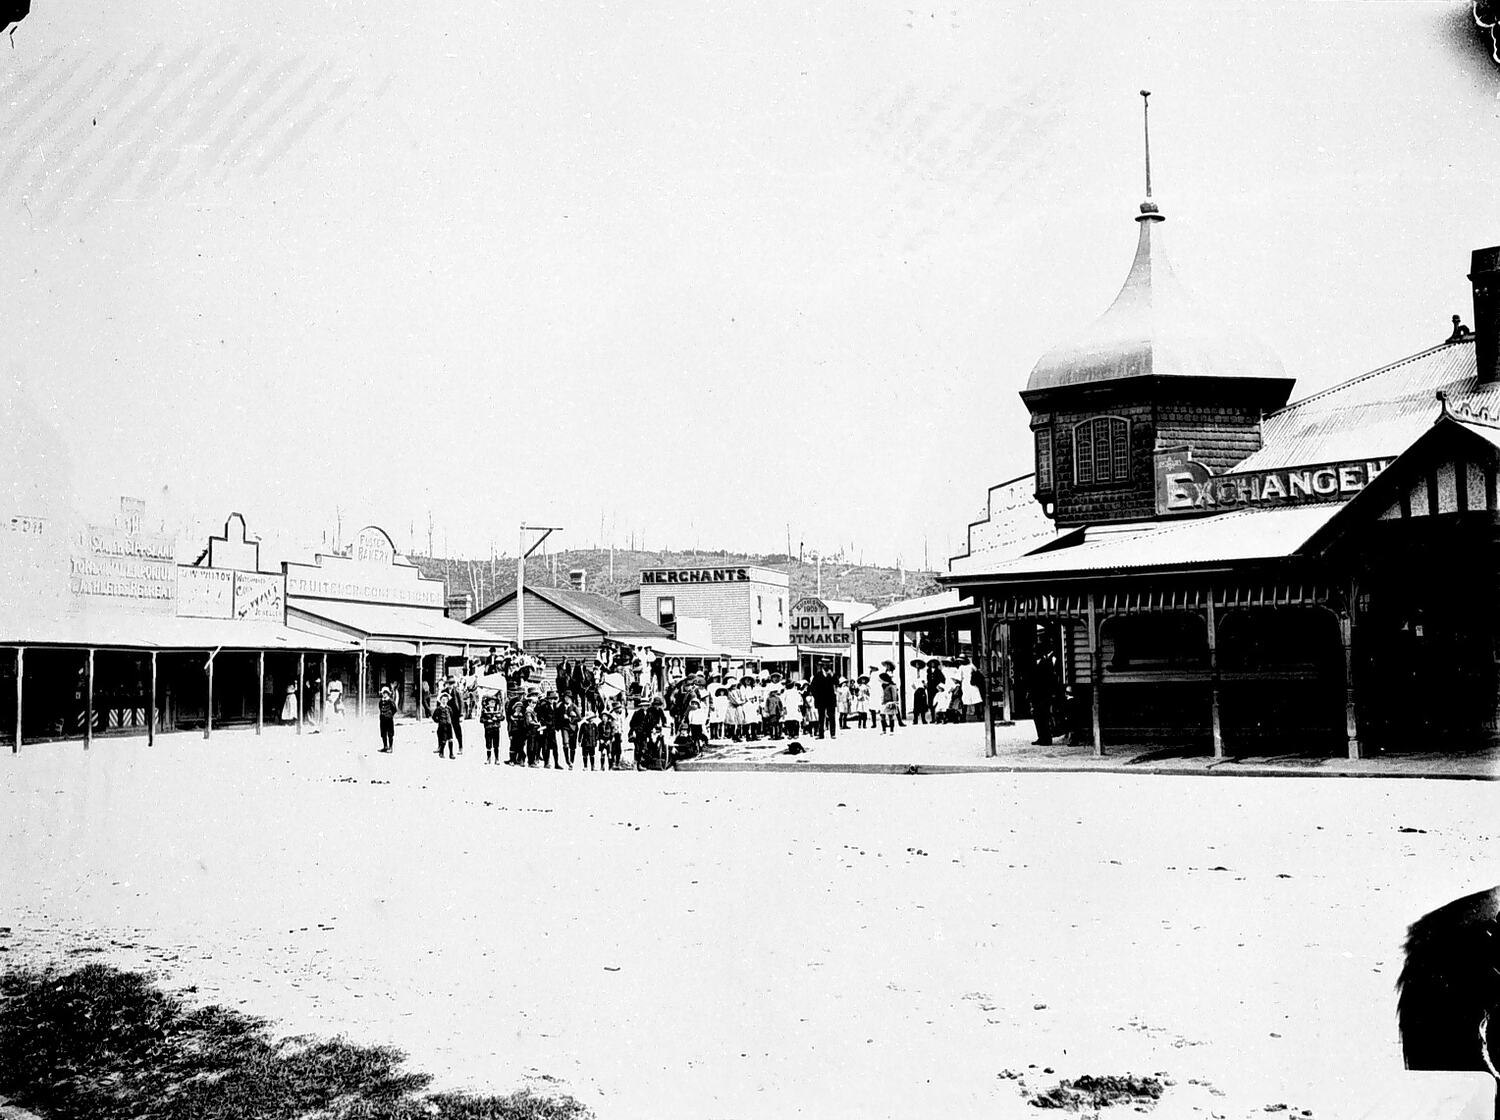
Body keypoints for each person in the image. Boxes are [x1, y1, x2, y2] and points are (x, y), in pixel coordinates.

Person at [1029, 643, 1059, 746]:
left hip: (1044, 694)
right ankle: (1041, 737)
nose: (1034, 653)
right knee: (1037, 716)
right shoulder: (1035, 664)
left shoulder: (1046, 663)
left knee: (1044, 716)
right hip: (1036, 694)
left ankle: (1046, 738)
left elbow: (1051, 679)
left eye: (1036, 651)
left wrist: (1051, 693)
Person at [810, 667, 837, 739]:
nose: (827, 666)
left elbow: (837, 683)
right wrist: (817, 696)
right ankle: (821, 734)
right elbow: (812, 687)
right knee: (821, 717)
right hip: (821, 700)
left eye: (828, 664)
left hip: (830, 699)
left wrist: (833, 675)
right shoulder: (817, 675)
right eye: (825, 664)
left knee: (832, 717)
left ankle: (833, 733)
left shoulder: (831, 675)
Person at [480, 688, 504, 764]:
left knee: (496, 744)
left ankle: (497, 759)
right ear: (488, 703)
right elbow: (481, 719)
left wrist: (497, 718)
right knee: (488, 744)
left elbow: (502, 717)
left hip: (496, 729)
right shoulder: (484, 711)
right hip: (488, 729)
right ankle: (488, 758)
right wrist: (487, 721)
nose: (492, 703)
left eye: (494, 702)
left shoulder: (498, 710)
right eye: (491, 702)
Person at [433, 689, 455, 758]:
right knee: (443, 740)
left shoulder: (449, 708)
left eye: (446, 700)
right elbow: (434, 717)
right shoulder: (438, 709)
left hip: (449, 725)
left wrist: (449, 721)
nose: (444, 701)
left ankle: (451, 754)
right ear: (441, 700)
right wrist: (439, 721)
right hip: (442, 726)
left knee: (450, 740)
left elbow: (451, 715)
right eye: (443, 699)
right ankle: (441, 753)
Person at [446, 680, 465, 754]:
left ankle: (460, 746)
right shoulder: (444, 691)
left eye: (451, 684)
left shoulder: (457, 692)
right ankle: (441, 747)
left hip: (455, 714)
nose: (450, 685)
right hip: (447, 713)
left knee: (457, 731)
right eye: (448, 683)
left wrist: (461, 715)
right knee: (444, 730)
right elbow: (440, 702)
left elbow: (461, 703)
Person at [377, 684, 397, 752]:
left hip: (389, 719)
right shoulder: (381, 701)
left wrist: (390, 714)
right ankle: (385, 746)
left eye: (386, 693)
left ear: (388, 694)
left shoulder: (390, 701)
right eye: (383, 693)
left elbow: (394, 709)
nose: (384, 694)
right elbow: (380, 707)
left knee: (390, 733)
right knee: (383, 733)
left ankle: (390, 747)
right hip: (382, 719)